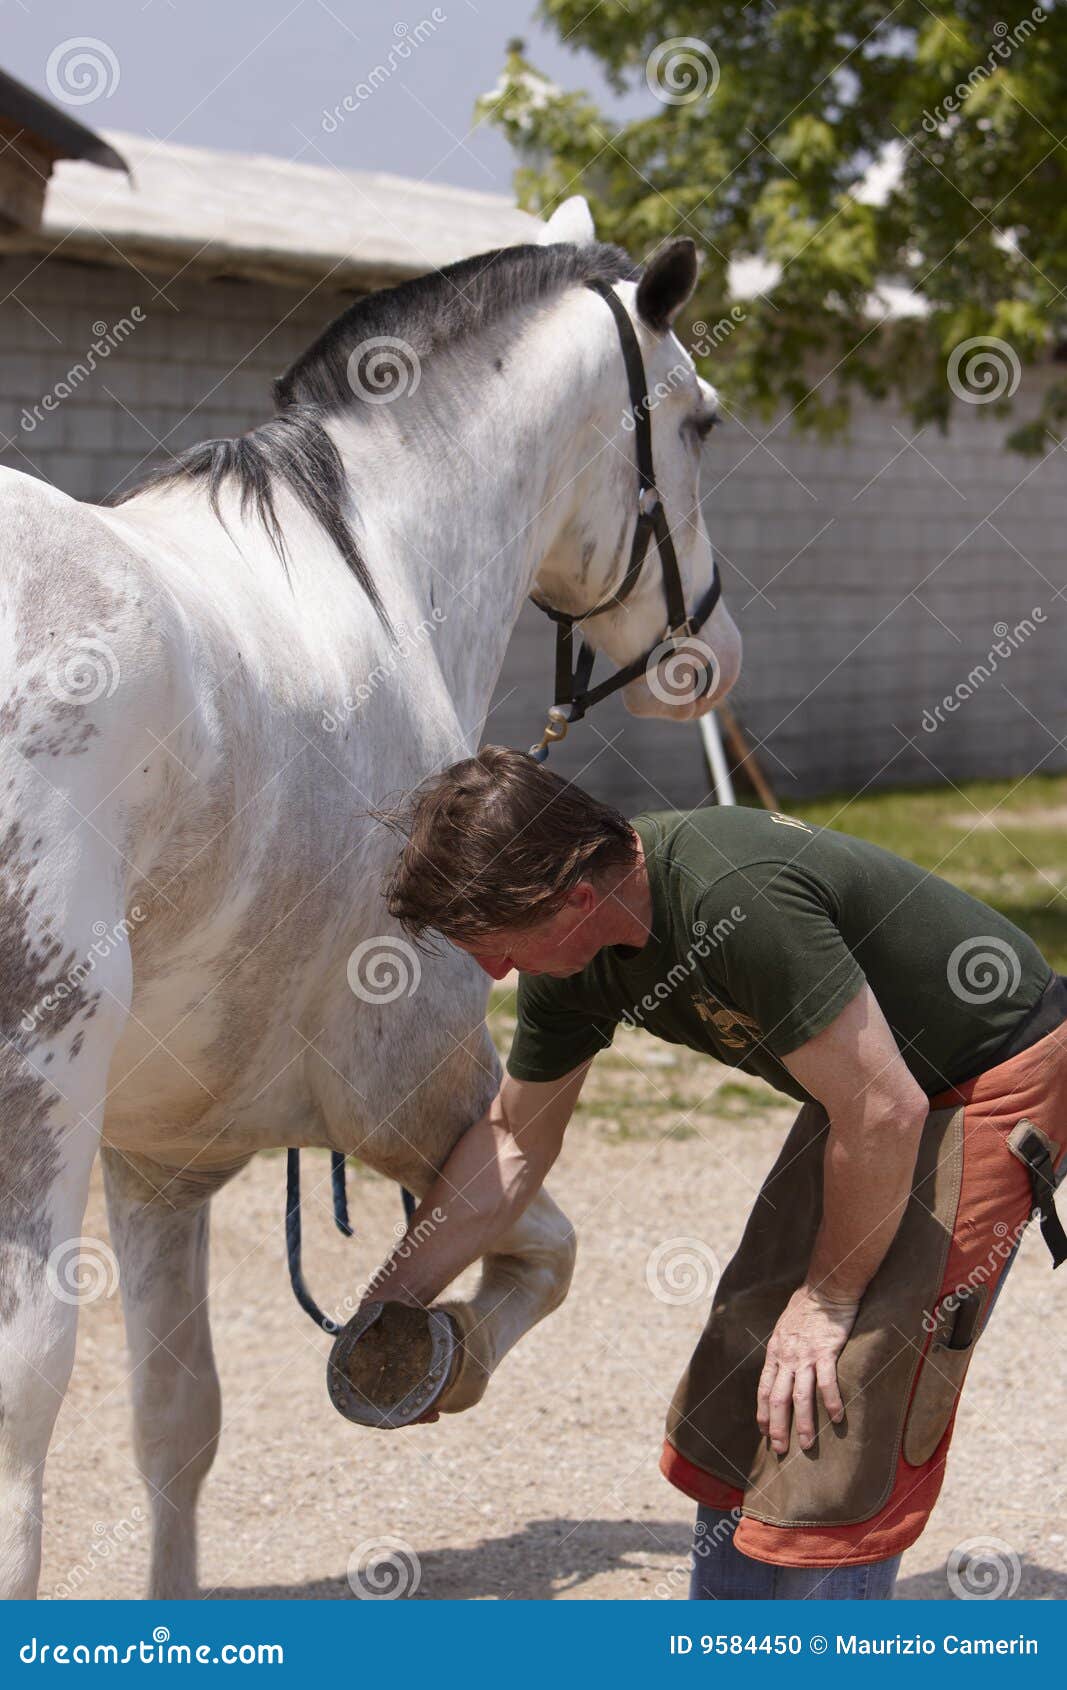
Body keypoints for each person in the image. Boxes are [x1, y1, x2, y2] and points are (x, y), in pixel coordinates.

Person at [366, 746, 1067, 1600]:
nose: (495, 973)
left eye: (497, 946)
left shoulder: (733, 896)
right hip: (873, 1088)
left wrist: (828, 1300)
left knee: (845, 1382)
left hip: (989, 1069)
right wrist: (390, 1302)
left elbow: (883, 1115)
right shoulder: (575, 957)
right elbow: (514, 1142)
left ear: (574, 899)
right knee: (744, 1356)